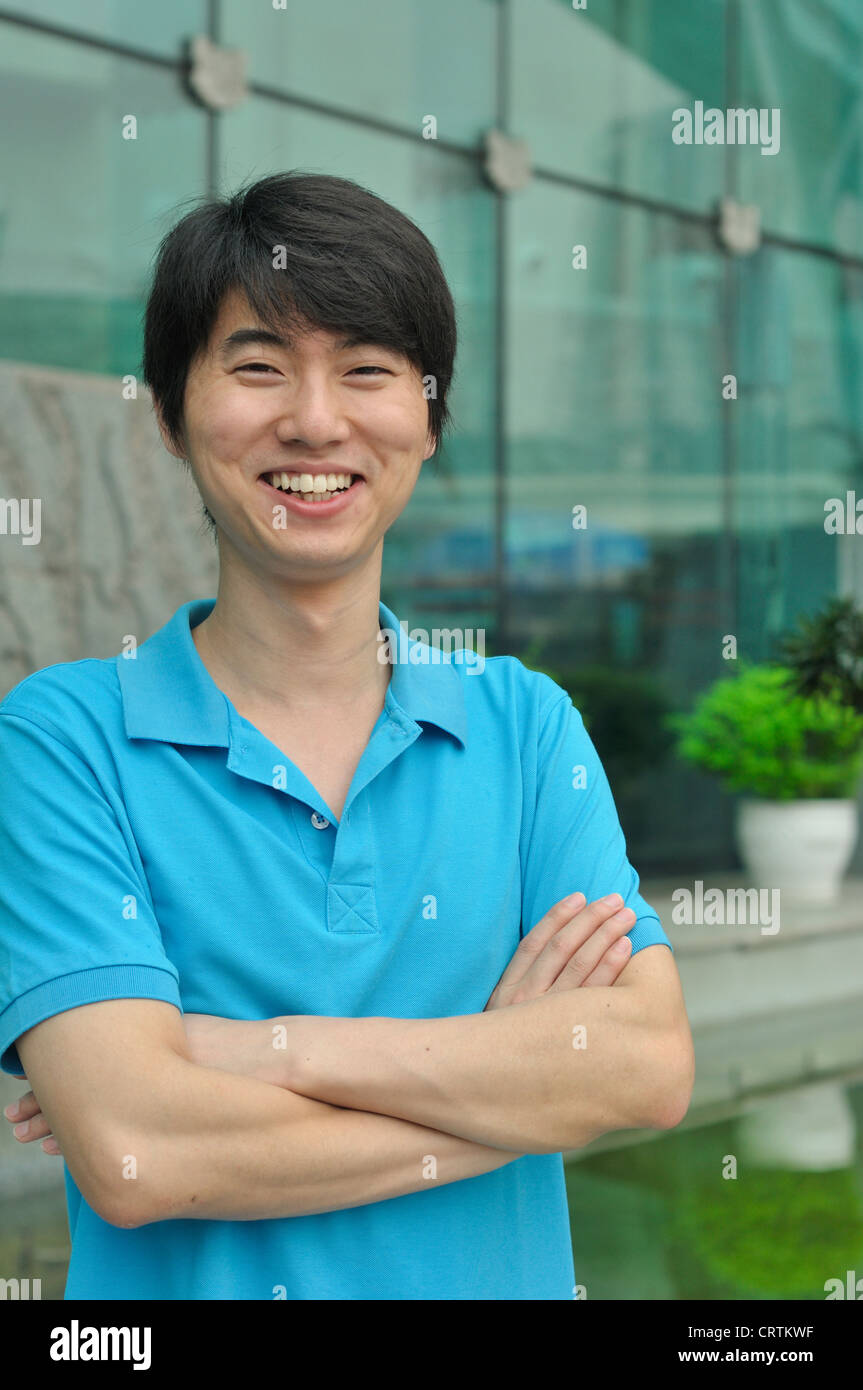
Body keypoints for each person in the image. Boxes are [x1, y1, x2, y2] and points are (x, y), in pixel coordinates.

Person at [0, 171, 694, 1300]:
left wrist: (258, 1048)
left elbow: (647, 1069)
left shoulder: (524, 728)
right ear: (173, 415)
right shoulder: (60, 741)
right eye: (259, 365)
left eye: (367, 370)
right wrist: (500, 1091)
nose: (315, 420)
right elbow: (138, 1154)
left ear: (427, 420)